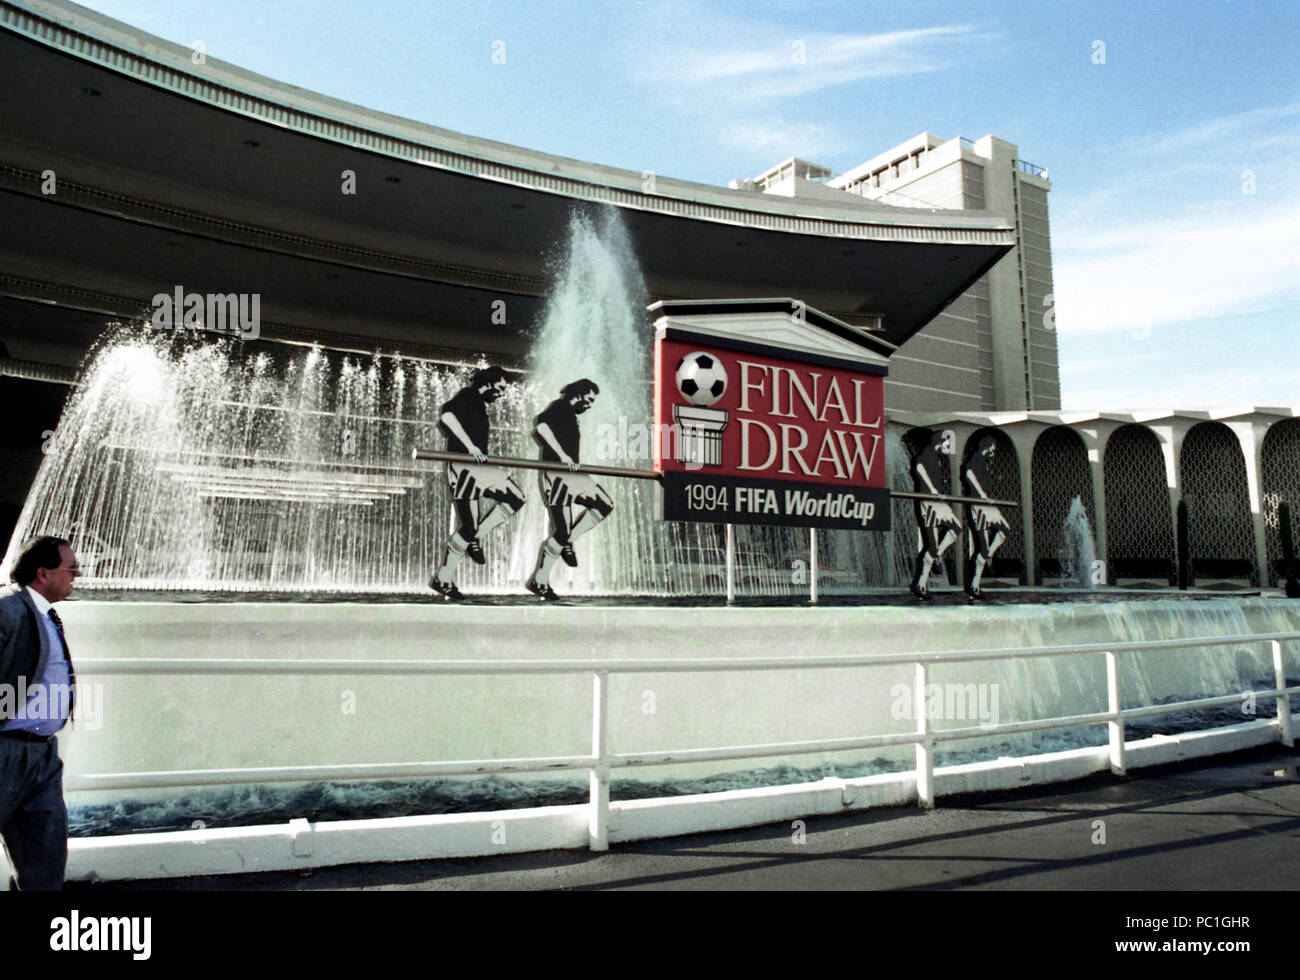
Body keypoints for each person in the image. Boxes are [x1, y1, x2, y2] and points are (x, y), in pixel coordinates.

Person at [0, 535, 80, 891]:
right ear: (43, 573)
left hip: (43, 754)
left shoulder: (47, 615)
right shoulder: (8, 610)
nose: (76, 576)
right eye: (71, 569)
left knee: (45, 860)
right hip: (7, 750)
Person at [430, 366, 525, 600]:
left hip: (479, 468)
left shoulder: (480, 404)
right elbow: (447, 417)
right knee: (468, 526)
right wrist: (470, 447)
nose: (503, 393)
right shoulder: (469, 395)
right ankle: (444, 577)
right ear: (489, 382)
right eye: (501, 387)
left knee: (516, 498)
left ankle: (476, 537)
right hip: (463, 468)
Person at [526, 379, 613, 600]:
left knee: (604, 504)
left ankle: (568, 542)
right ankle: (540, 580)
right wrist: (563, 456)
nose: (591, 405)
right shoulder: (560, 406)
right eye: (590, 399)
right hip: (557, 475)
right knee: (561, 531)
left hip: (572, 475)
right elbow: (541, 427)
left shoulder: (569, 413)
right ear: (580, 394)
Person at [909, 430, 960, 599]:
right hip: (929, 502)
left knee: (955, 528)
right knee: (931, 543)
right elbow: (918, 467)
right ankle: (920, 584)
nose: (948, 447)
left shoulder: (936, 456)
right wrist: (931, 490)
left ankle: (937, 554)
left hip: (937, 502)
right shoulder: (927, 453)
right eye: (946, 443)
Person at [962, 435, 1012, 599]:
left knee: (1004, 529)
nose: (993, 452)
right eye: (992, 449)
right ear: (987, 446)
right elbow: (968, 473)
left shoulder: (983, 462)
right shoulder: (976, 458)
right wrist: (982, 494)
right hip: (980, 506)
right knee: (983, 546)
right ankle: (974, 584)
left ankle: (988, 555)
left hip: (986, 506)